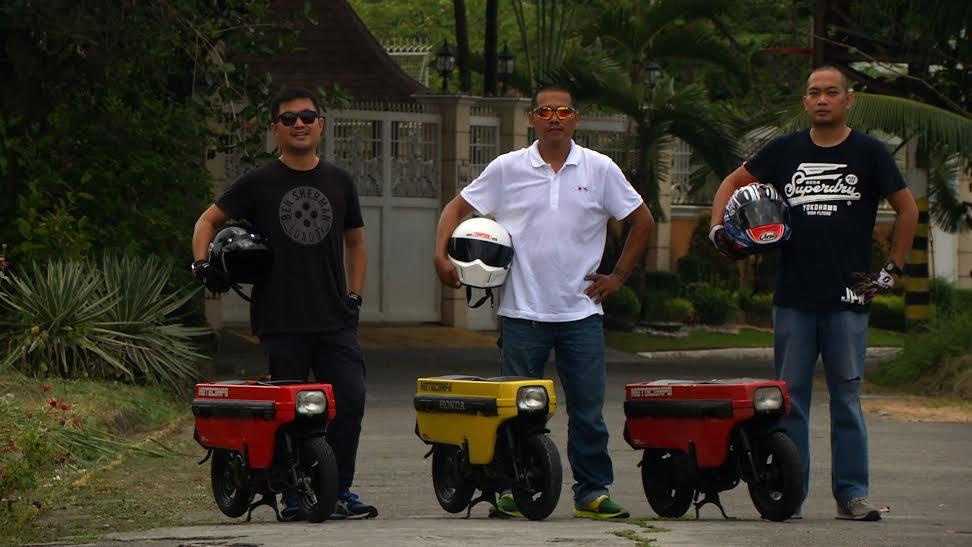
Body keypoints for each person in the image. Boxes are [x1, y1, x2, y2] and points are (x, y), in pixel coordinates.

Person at [434, 84, 654, 520]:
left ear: (576, 119)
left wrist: (618, 277)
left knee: (588, 412)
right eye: (546, 111)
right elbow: (455, 208)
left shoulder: (599, 168)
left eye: (564, 111)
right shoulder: (507, 168)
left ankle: (592, 493)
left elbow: (642, 220)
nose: (555, 118)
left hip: (581, 314)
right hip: (522, 314)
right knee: (515, 411)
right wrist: (440, 256)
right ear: (531, 119)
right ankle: (514, 491)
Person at [709, 65, 918, 521]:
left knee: (847, 400)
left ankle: (852, 495)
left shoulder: (870, 152)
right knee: (790, 402)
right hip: (794, 297)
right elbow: (731, 183)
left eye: (831, 92)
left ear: (848, 100)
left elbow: (908, 210)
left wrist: (892, 269)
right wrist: (717, 229)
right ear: (805, 102)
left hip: (849, 298)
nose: (822, 99)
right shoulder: (784, 150)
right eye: (814, 93)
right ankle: (789, 495)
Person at [190, 87, 376, 520]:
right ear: (275, 129)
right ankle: (294, 495)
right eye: (289, 119)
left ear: (321, 125)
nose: (299, 125)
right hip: (281, 319)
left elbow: (356, 242)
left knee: (349, 402)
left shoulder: (340, 181)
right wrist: (201, 264)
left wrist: (355, 296)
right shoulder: (259, 182)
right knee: (290, 415)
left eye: (308, 117)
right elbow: (207, 221)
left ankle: (338, 489)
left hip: (335, 318)